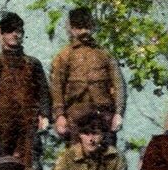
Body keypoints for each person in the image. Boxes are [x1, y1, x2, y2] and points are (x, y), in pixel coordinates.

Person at [0, 12, 52, 170]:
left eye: (18, 31)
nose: (15, 35)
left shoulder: (32, 64)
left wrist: (44, 115)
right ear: (2, 35)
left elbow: (44, 92)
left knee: (31, 165)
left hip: (28, 124)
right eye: (10, 31)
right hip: (2, 126)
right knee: (2, 164)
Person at [50, 7, 125, 138]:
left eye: (87, 27)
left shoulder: (104, 55)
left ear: (92, 27)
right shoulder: (64, 56)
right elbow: (56, 88)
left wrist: (118, 113)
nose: (84, 31)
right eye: (79, 27)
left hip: (104, 118)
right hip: (75, 118)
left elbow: (118, 85)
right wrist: (59, 116)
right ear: (71, 29)